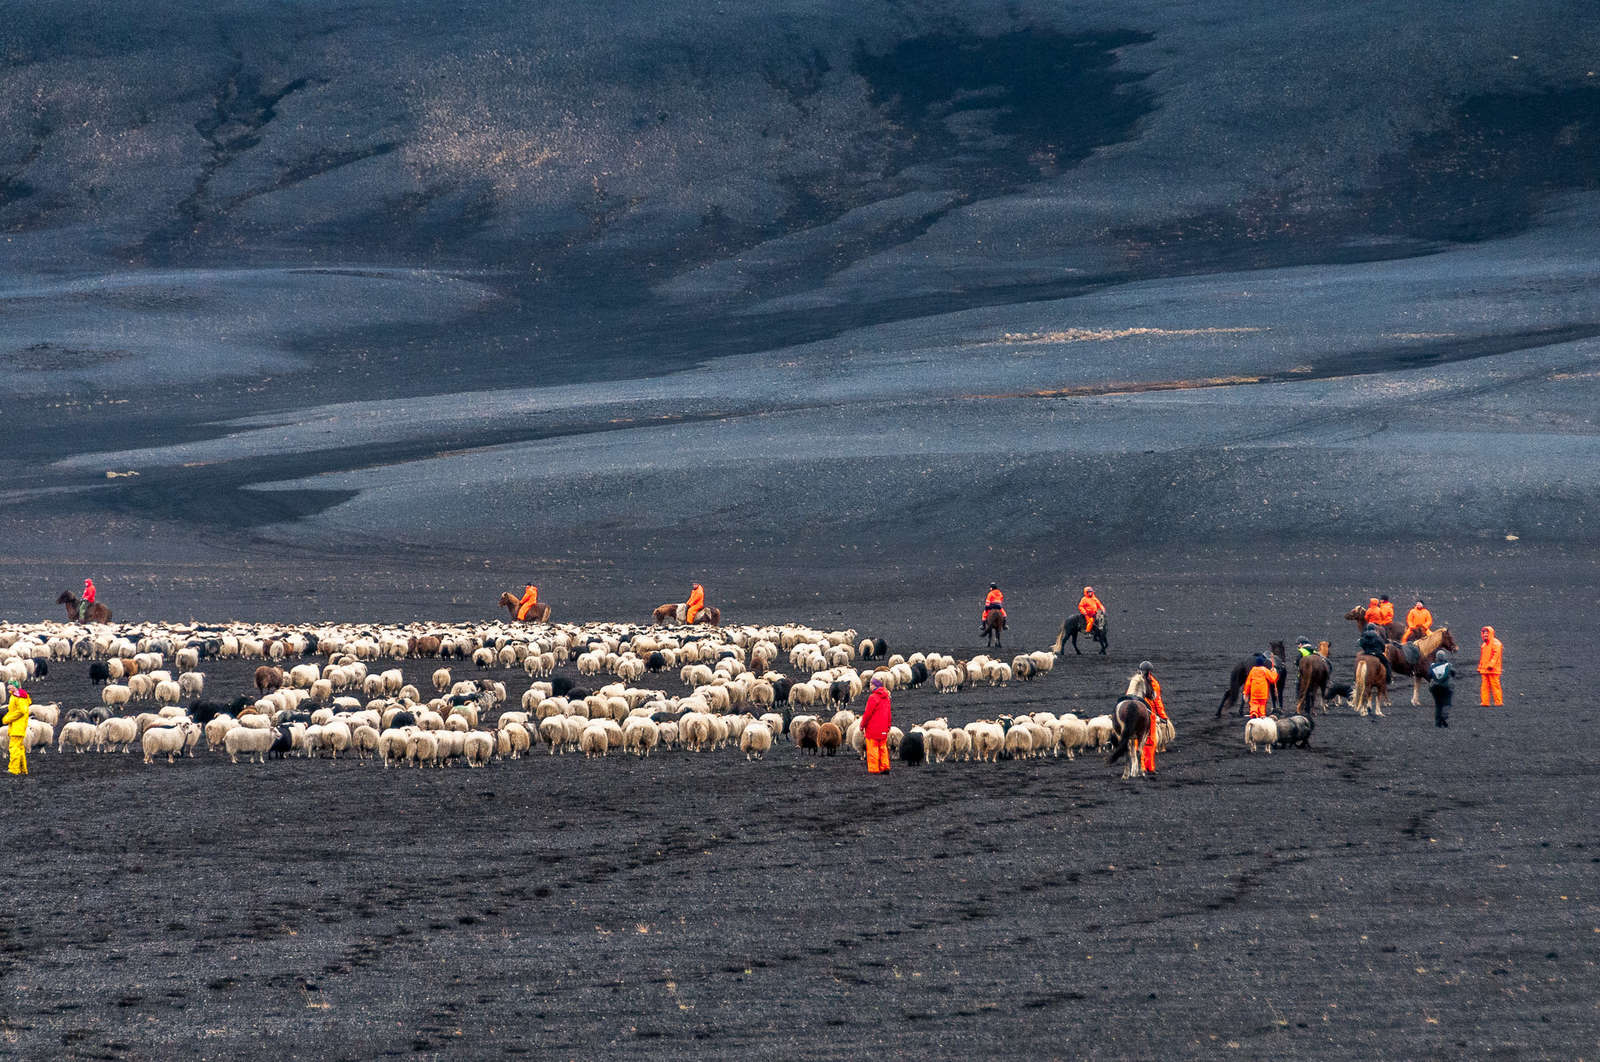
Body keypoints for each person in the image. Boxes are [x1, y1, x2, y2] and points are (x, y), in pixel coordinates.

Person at [1137, 661, 1169, 775]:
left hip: (1141, 716)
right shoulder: (1152, 683)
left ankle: (1144, 767)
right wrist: (1163, 716)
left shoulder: (1136, 682)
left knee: (1142, 742)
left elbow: (1129, 697)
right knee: (1148, 742)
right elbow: (1157, 701)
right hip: (1148, 715)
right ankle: (1147, 767)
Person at [862, 675, 892, 774]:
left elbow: (867, 713)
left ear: (875, 686)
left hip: (872, 728)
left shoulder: (873, 697)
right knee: (883, 748)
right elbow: (888, 713)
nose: (870, 686)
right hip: (883, 728)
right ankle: (885, 766)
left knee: (873, 748)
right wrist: (888, 726)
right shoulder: (886, 697)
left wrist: (862, 725)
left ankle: (874, 768)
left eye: (871, 684)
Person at [4, 683, 31, 776]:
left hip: (17, 727)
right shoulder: (16, 695)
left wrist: (8, 718)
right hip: (16, 726)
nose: (8, 686)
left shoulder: (19, 697)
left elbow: (22, 711)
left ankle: (14, 769)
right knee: (19, 748)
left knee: (14, 748)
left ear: (15, 686)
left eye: (11, 684)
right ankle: (22, 769)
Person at [1243, 653, 1277, 719]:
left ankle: (1254, 713)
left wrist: (1246, 692)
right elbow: (1272, 679)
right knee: (1262, 704)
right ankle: (1262, 715)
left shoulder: (1253, 670)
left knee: (1254, 703)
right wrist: (1274, 672)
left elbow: (1248, 683)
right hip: (1263, 691)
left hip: (1254, 691)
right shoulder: (1265, 670)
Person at [1478, 626, 1504, 706]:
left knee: (1495, 686)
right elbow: (1482, 658)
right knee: (1484, 687)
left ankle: (1498, 702)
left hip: (1493, 669)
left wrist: (1491, 665)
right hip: (1485, 669)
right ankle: (1485, 702)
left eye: (1487, 633)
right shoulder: (1484, 645)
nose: (1485, 635)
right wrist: (1480, 667)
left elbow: (1496, 655)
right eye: (1484, 633)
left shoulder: (1496, 643)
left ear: (1490, 634)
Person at [1427, 650, 1454, 728]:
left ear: (1436, 658)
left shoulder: (1432, 666)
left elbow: (1429, 675)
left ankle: (1437, 723)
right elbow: (1453, 673)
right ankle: (1443, 716)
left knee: (1438, 705)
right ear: (1444, 657)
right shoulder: (1448, 665)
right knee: (1447, 703)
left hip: (1435, 688)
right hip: (1446, 687)